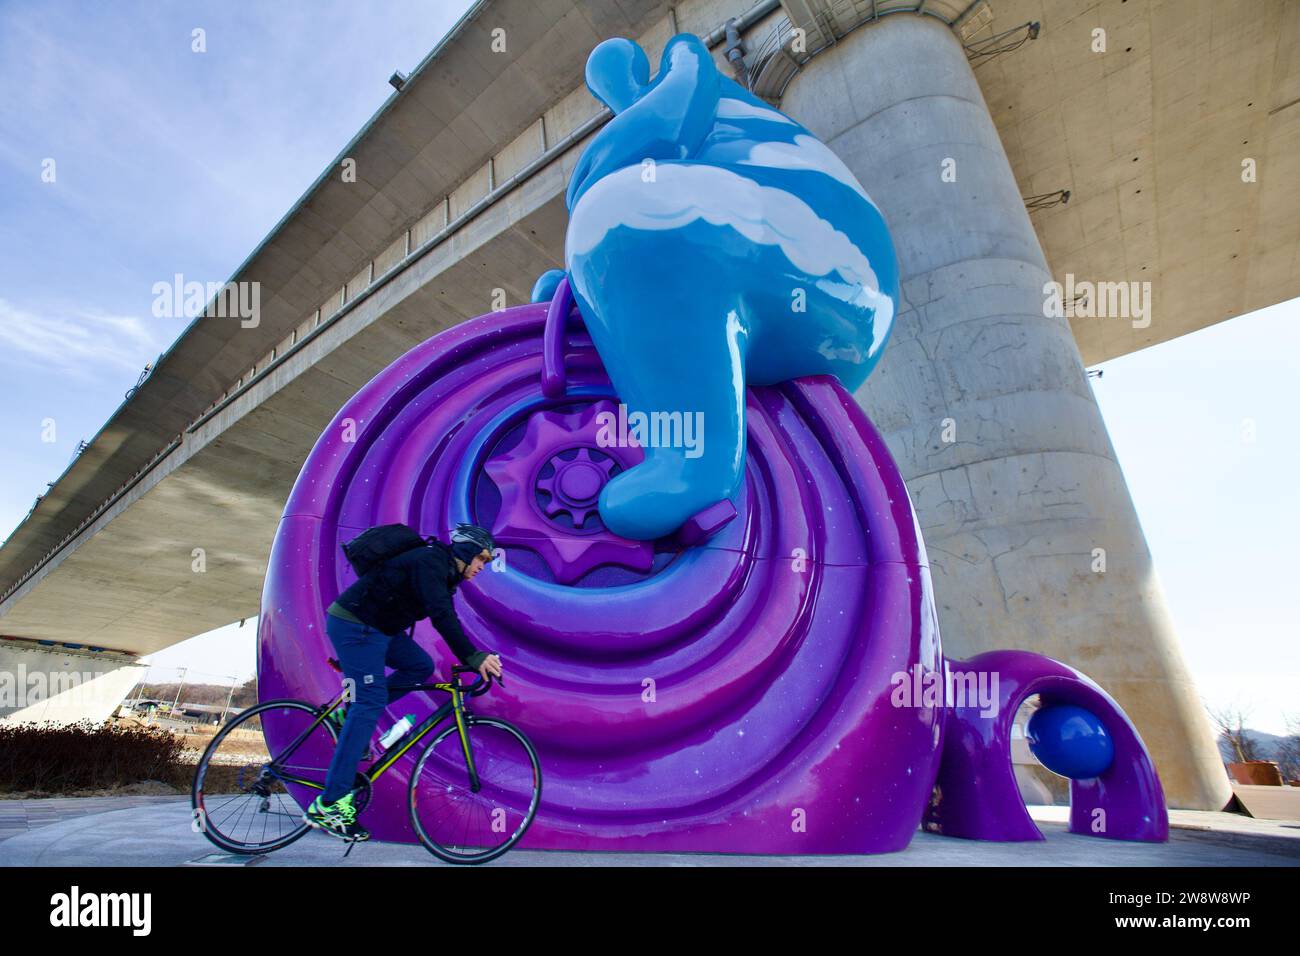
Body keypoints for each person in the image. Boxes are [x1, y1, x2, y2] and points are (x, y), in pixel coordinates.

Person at [303, 523, 504, 841]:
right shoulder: (431, 562)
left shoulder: (442, 571)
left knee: (419, 665)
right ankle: (329, 804)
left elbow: (441, 610)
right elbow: (442, 615)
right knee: (369, 704)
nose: (482, 567)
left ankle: (347, 713)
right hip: (356, 625)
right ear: (465, 552)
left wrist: (471, 656)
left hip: (380, 630)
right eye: (481, 559)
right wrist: (473, 657)